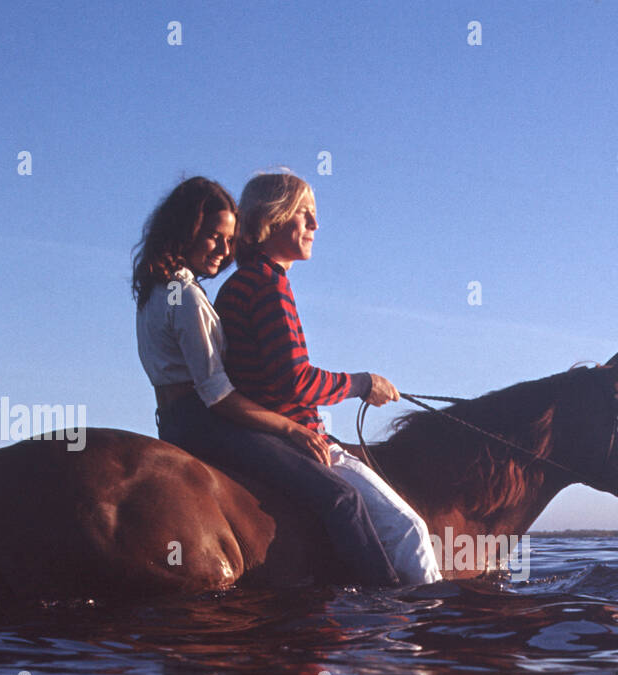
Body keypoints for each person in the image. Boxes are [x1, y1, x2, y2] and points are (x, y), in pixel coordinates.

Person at [132, 176, 403, 585]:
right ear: (182, 232)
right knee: (342, 497)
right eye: (211, 237)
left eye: (228, 239)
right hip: (205, 422)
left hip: (170, 422)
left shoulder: (153, 293)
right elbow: (219, 396)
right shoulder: (188, 298)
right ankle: (385, 605)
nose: (224, 250)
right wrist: (292, 428)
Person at [215, 171, 442, 586]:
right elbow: (295, 382)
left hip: (261, 438)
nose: (315, 226)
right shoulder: (269, 284)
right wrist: (362, 383)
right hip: (295, 437)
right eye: (305, 215)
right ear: (274, 218)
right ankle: (422, 638)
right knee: (410, 531)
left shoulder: (237, 285)